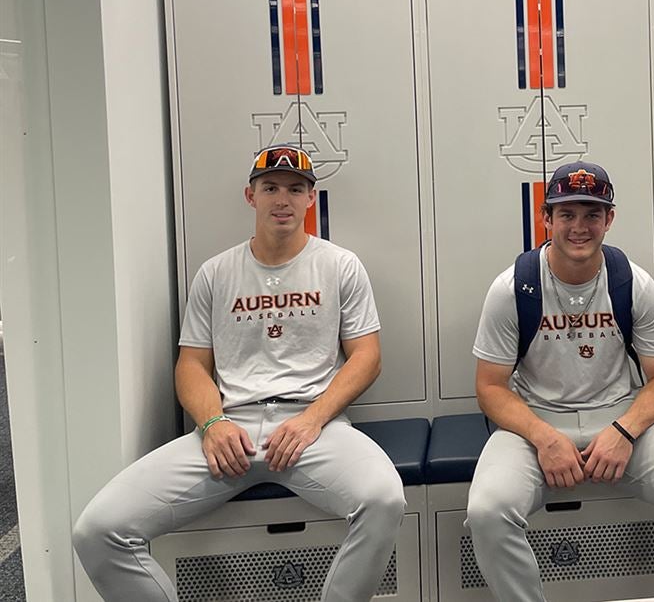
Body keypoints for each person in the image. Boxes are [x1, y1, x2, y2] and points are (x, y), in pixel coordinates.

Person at [72, 145, 406, 602]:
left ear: (311, 199)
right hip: (230, 429)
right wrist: (212, 424)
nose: (282, 199)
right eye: (270, 188)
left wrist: (313, 418)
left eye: (295, 189)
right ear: (251, 196)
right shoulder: (216, 273)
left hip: (312, 427)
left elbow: (367, 356)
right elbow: (191, 365)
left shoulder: (339, 265)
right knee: (98, 530)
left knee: (384, 500)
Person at [467, 161, 654, 602]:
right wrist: (544, 438)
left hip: (620, 415)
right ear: (546, 218)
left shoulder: (633, 283)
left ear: (609, 219)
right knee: (487, 511)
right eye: (566, 214)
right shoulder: (514, 287)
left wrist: (625, 431)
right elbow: (490, 387)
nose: (579, 227)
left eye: (592, 214)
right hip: (536, 422)